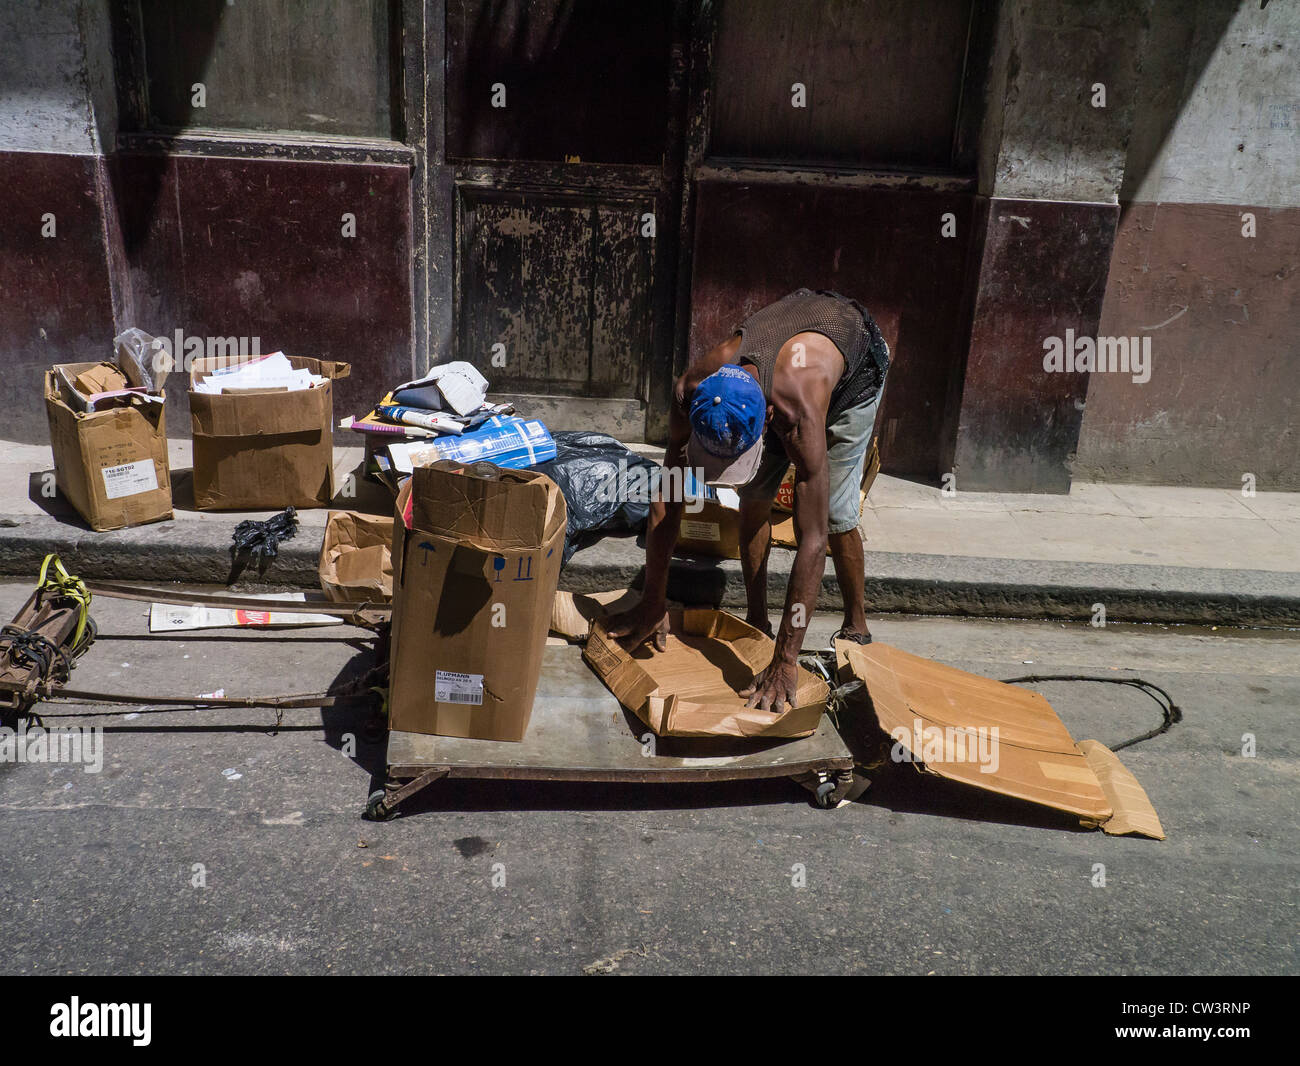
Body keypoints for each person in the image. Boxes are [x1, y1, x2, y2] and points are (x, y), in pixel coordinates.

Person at [608, 288, 890, 715]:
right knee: (755, 496)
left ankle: (857, 624)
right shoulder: (692, 390)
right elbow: (668, 494)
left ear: (769, 420)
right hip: (789, 344)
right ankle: (758, 620)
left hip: (857, 367)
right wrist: (653, 598)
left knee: (831, 513)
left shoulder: (799, 414)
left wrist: (787, 659)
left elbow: (811, 541)